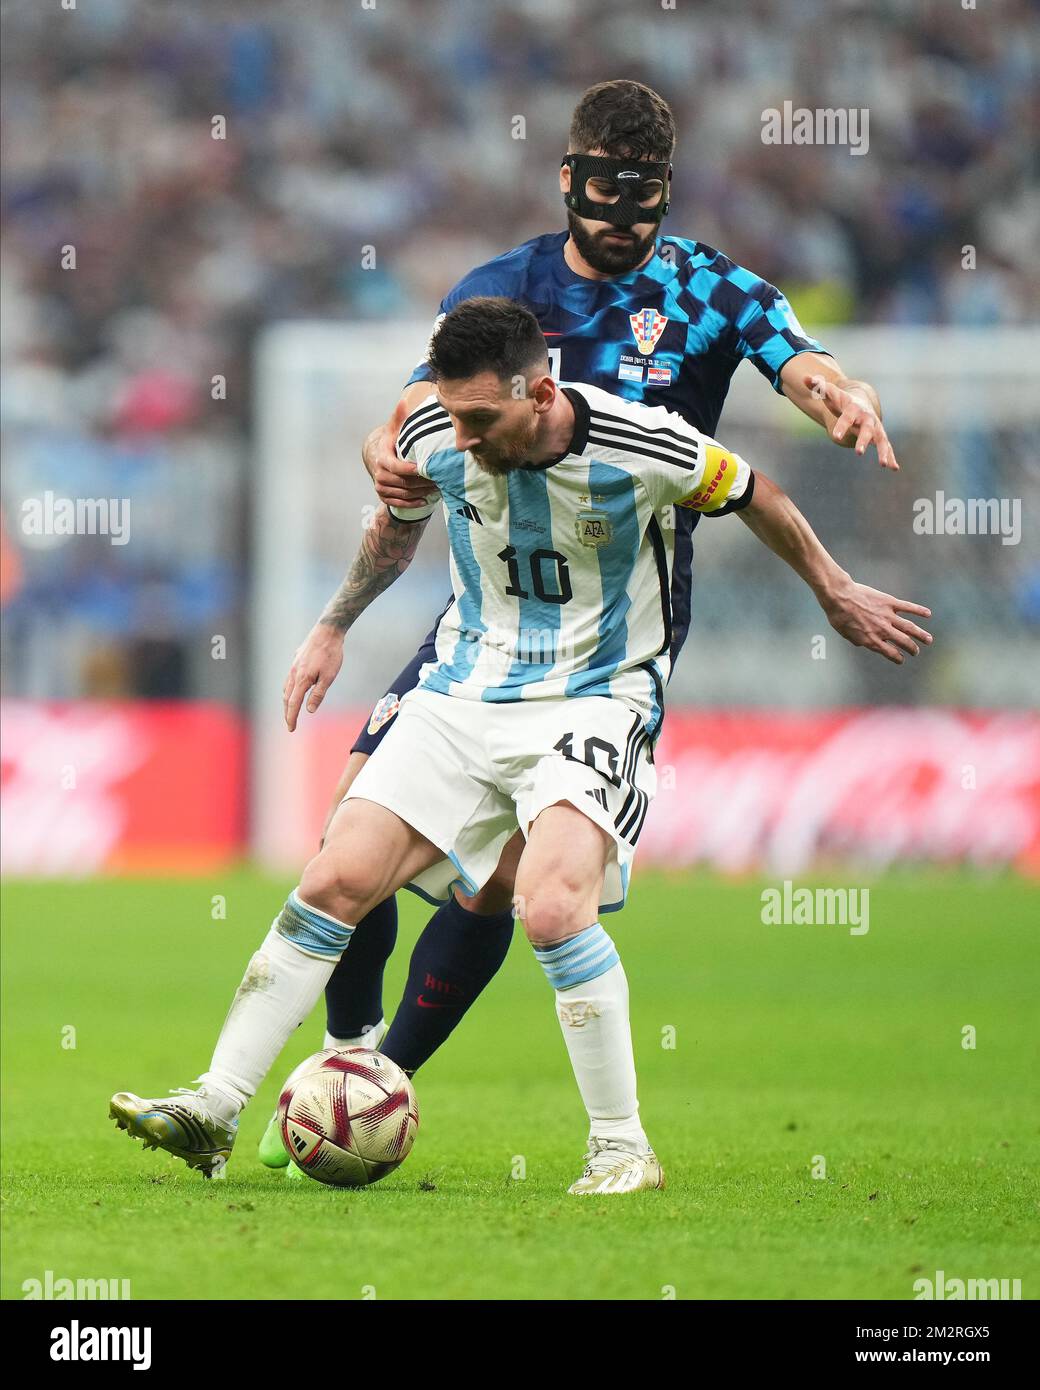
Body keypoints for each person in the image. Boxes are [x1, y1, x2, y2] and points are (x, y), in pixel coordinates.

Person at [110, 298, 931, 1195]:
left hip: (597, 695)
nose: (459, 438)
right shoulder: (439, 429)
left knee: (549, 906)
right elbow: (398, 520)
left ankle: (622, 1148)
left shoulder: (646, 444)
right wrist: (333, 624)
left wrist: (833, 588)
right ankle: (216, 1106)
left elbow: (755, 492)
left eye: (479, 420)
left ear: (541, 393)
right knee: (334, 879)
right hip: (464, 687)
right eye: (451, 416)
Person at [261, 80, 908, 1167]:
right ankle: (345, 1056)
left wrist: (835, 391)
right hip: (483, 609)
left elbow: (793, 353)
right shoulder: (503, 286)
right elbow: (420, 402)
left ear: (665, 192)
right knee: (345, 842)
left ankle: (377, 1091)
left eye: (643, 201)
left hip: (612, 620)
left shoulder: (706, 288)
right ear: (567, 180)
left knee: (515, 875)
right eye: (604, 196)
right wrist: (383, 442)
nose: (623, 220)